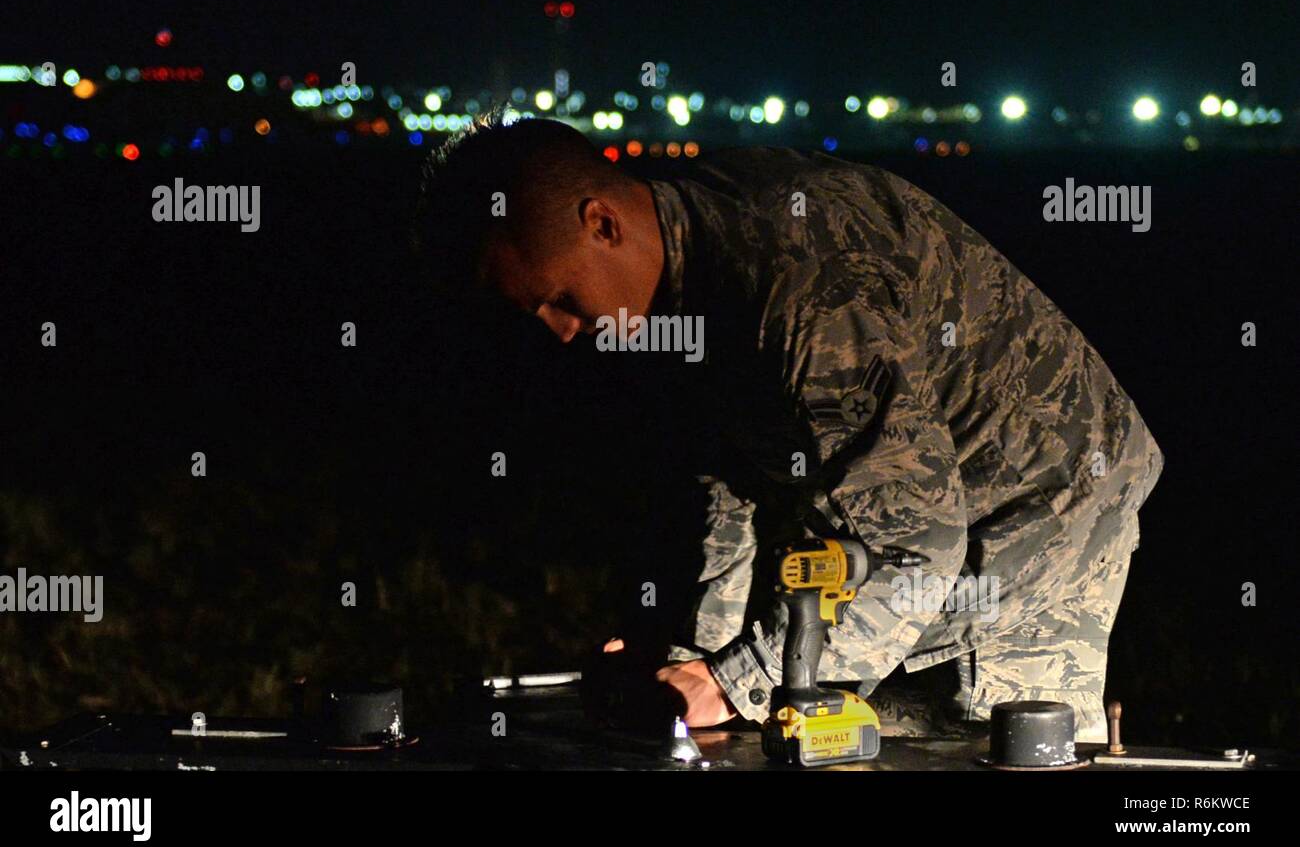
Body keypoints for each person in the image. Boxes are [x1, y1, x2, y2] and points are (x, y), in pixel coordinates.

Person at [418, 107, 1164, 742]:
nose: (559, 332)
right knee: (810, 707)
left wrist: (737, 680)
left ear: (602, 223)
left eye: (557, 298)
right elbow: (732, 486)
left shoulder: (800, 287)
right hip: (937, 508)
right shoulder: (684, 276)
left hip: (1042, 499)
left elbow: (913, 541)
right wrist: (690, 655)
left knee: (966, 733)